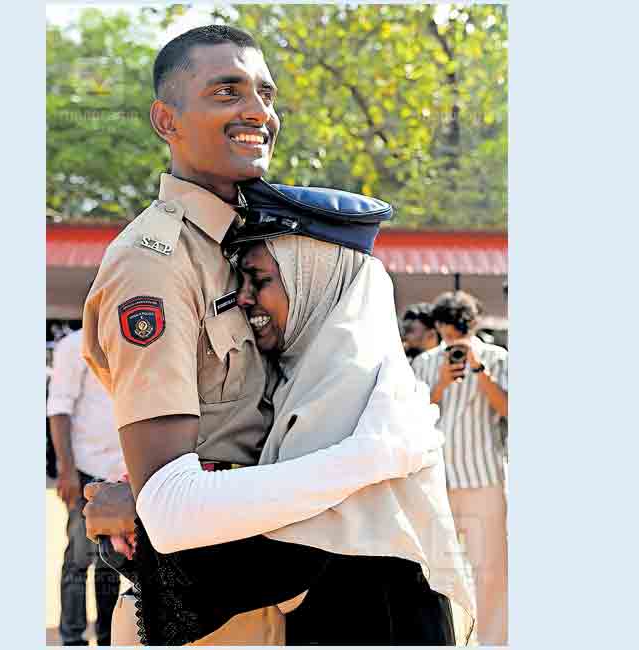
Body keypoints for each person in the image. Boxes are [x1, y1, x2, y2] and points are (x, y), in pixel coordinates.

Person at [79, 25, 443, 645]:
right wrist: (139, 504)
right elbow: (169, 499)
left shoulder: (269, 246)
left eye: (265, 95)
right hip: (208, 611)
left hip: (288, 595)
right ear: (167, 119)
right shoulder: (156, 261)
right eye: (227, 92)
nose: (257, 111)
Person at [85, 177, 477, 646]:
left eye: (261, 280)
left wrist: (143, 518)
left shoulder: (351, 377)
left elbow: (282, 560)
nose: (245, 297)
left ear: (315, 280)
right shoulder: (309, 373)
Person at [411, 290, 510, 645]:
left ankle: (495, 642)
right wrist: (439, 382)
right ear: (438, 326)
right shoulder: (423, 363)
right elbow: (410, 415)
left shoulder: (497, 358)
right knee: (435, 570)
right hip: (436, 480)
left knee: (493, 572)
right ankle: (443, 638)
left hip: (484, 479)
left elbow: (508, 409)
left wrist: (480, 372)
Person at [48, 329, 127, 645]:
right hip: (83, 473)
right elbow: (59, 409)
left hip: (120, 473)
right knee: (79, 559)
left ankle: (108, 638)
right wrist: (66, 470)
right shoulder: (73, 346)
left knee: (112, 560)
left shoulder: (128, 340)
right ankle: (73, 638)